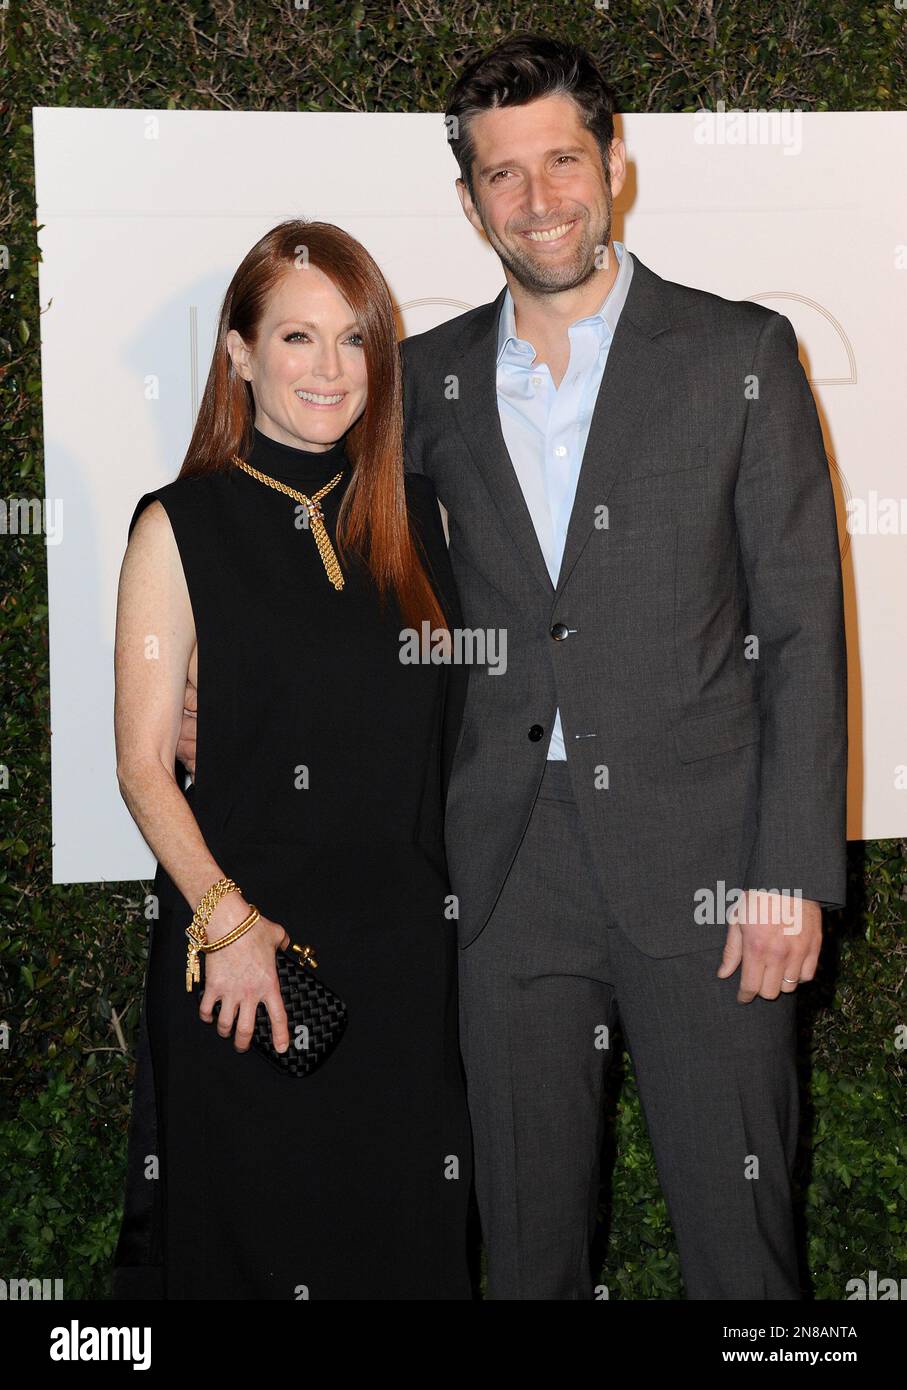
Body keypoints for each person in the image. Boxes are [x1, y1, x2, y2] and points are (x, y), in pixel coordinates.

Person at [176, 38, 848, 1300]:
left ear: (614, 166)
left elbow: (804, 629)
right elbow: (325, 552)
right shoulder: (417, 385)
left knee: (739, 1251)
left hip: (711, 873)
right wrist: (220, 673)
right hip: (494, 879)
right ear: (467, 200)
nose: (537, 201)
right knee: (523, 1253)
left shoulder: (737, 355)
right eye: (502, 176)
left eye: (561, 162)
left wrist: (788, 874)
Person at [111, 219, 473, 1300]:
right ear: (237, 354)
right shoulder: (177, 526)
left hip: (409, 970)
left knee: (405, 1250)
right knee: (252, 1248)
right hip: (252, 961)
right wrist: (225, 921)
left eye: (353, 341)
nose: (329, 369)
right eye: (298, 338)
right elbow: (139, 763)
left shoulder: (419, 520)